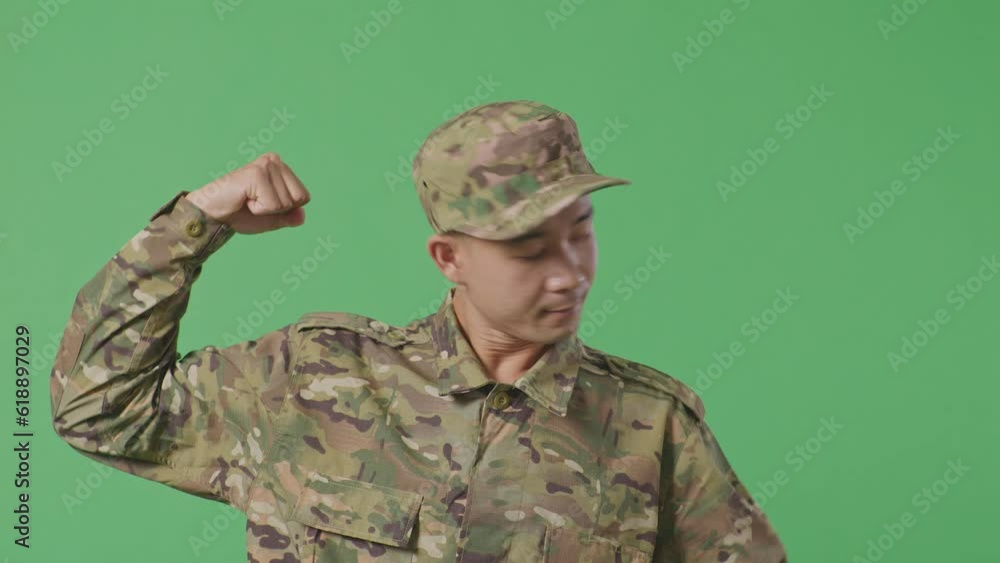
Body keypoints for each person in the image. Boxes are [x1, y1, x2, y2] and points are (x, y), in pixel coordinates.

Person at [49, 100, 788, 562]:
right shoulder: (310, 379)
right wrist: (193, 225)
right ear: (449, 257)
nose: (567, 271)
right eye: (528, 247)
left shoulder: (651, 424)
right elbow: (96, 408)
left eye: (580, 232)